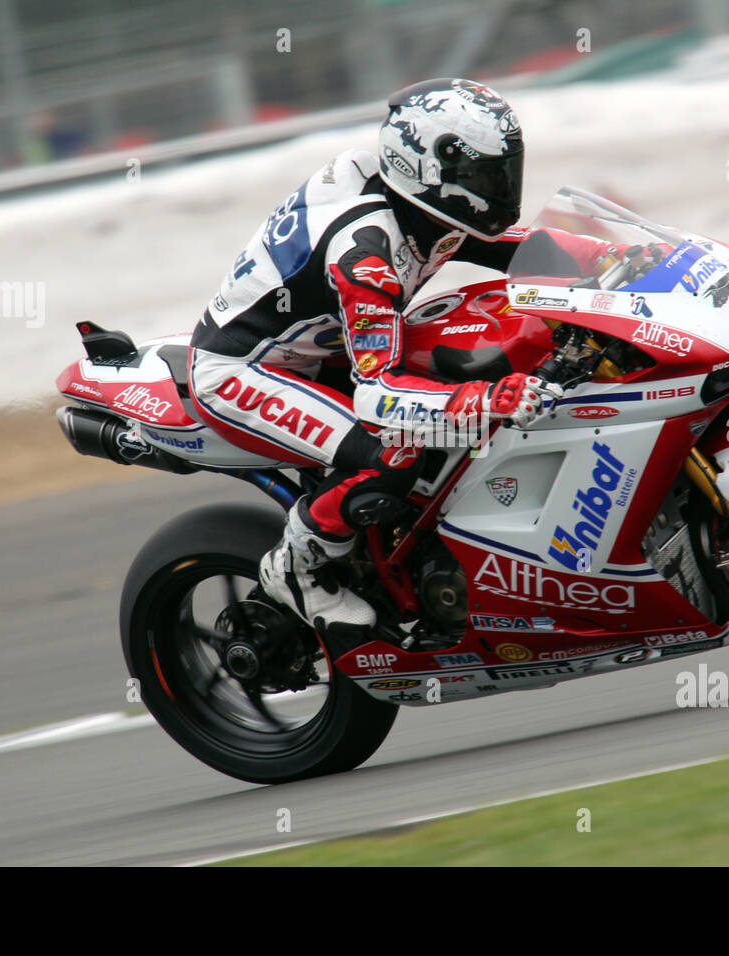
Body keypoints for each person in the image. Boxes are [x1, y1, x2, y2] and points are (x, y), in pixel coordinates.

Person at [189, 77, 633, 639]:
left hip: (319, 346)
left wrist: (623, 257)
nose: (497, 188)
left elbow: (517, 245)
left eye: (503, 172)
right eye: (481, 176)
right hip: (246, 371)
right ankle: (295, 568)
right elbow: (382, 392)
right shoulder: (365, 257)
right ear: (428, 169)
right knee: (393, 449)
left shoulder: (423, 209)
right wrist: (492, 399)